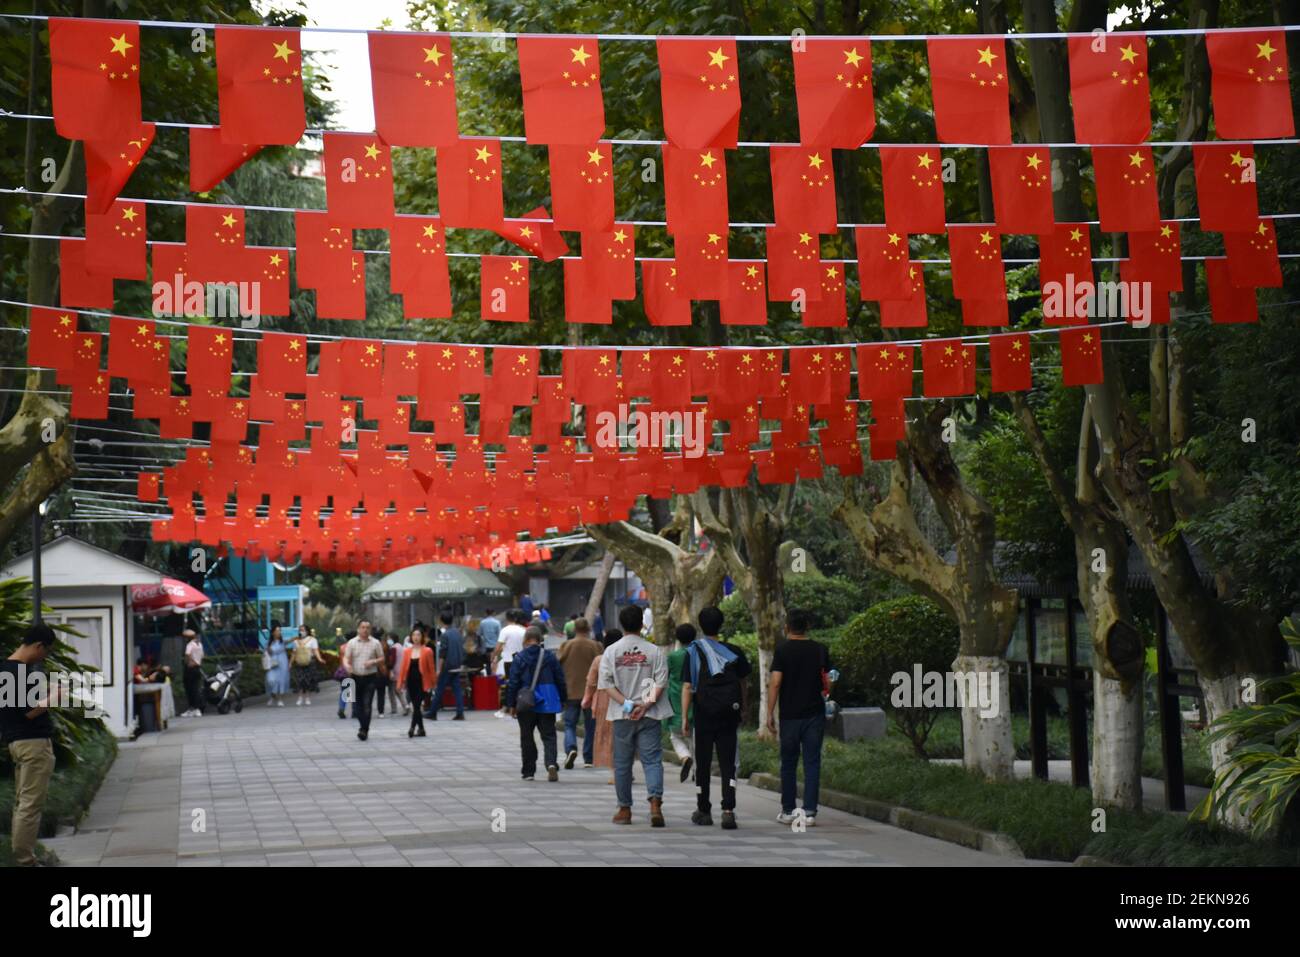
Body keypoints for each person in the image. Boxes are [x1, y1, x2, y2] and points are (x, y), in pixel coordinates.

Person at [599, 606, 670, 827]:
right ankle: (655, 804)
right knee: (652, 760)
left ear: (622, 624)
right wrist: (645, 705)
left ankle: (624, 809)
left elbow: (606, 685)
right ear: (642, 623)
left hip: (623, 715)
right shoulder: (655, 651)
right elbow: (660, 682)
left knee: (622, 763)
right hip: (650, 715)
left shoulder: (611, 651)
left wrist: (628, 705)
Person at [682, 606, 751, 830]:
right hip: (729, 714)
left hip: (703, 714)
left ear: (700, 625)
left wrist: (685, 716)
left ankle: (703, 810)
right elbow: (743, 682)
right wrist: (744, 708)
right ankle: (728, 810)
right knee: (728, 763)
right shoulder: (734, 651)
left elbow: (688, 687)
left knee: (702, 763)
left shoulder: (693, 651)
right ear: (721, 624)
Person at [766, 609, 833, 826]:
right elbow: (830, 679)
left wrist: (769, 713)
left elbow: (775, 682)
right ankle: (810, 812)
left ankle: (788, 811)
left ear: (787, 627)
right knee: (812, 762)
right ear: (808, 627)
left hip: (790, 716)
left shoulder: (783, 651)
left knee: (789, 762)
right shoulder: (820, 650)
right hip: (814, 714)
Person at [2, 624, 58, 867]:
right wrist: (55, 696)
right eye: (46, 651)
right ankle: (25, 860)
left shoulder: (4, 669)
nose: (44, 657)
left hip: (15, 742)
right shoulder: (22, 673)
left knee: (23, 801)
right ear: (38, 646)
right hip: (33, 744)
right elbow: (29, 711)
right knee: (30, 804)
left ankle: (23, 855)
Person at [505, 625, 566, 781]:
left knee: (527, 736)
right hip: (547, 700)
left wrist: (510, 704)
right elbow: (560, 679)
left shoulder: (519, 658)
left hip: (526, 702)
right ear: (540, 640)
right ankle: (551, 764)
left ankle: (528, 771)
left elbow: (513, 682)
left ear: (525, 640)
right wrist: (563, 698)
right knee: (549, 735)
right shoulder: (549, 657)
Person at [557, 618, 602, 770]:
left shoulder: (566, 645)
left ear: (574, 629)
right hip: (591, 692)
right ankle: (588, 758)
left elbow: (558, 664)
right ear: (588, 629)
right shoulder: (596, 646)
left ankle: (571, 748)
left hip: (570, 691)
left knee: (569, 724)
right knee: (591, 726)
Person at [581, 629, 620, 775]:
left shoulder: (599, 659)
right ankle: (624, 767)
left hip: (604, 698)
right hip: (623, 698)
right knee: (622, 732)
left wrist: (586, 698)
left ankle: (614, 770)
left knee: (607, 733)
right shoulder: (626, 658)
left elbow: (591, 682)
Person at [343, 620, 385, 741]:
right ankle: (363, 726)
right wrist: (347, 666)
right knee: (356, 707)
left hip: (370, 677)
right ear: (358, 629)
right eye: (362, 627)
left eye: (367, 627)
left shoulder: (376, 643)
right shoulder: (351, 643)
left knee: (367, 704)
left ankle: (364, 730)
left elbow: (382, 658)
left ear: (370, 629)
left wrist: (373, 662)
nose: (365, 630)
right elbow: (346, 658)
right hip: (354, 677)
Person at [666, 623, 696, 783]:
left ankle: (685, 757)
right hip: (695, 700)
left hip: (676, 700)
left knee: (675, 735)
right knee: (694, 738)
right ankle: (697, 771)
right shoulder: (698, 655)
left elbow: (663, 677)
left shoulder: (673, 657)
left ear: (678, 638)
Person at [426, 609, 466, 720]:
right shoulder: (458, 633)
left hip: (447, 666)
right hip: (457, 665)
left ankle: (433, 712)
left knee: (440, 689)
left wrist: (439, 668)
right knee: (457, 689)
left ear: (441, 621)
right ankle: (460, 712)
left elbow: (443, 653)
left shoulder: (445, 635)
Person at [398, 626, 436, 738]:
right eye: (414, 635)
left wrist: (433, 683)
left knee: (417, 706)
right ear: (411, 637)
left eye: (418, 635)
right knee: (416, 707)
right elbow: (403, 668)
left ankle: (412, 728)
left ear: (422, 637)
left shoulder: (427, 651)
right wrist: (400, 683)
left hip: (422, 682)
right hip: (411, 682)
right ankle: (422, 729)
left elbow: (431, 668)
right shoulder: (407, 651)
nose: (416, 637)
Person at [491, 609, 526, 717]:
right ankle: (516, 709)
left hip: (508, 661)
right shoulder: (523, 630)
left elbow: (498, 647)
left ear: (507, 619)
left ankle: (507, 708)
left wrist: (493, 657)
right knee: (520, 685)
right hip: (521, 660)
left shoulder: (505, 630)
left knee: (509, 685)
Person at [290, 625, 325, 706]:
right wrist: (290, 663)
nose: (301, 632)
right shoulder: (296, 641)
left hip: (309, 662)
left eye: (303, 630)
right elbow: (293, 653)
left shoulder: (313, 640)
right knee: (299, 680)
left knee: (308, 680)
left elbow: (316, 651)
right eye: (300, 630)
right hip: (299, 663)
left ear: (307, 631)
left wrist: (320, 659)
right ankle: (300, 697)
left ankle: (307, 697)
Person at [181, 628, 204, 717]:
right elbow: (202, 655)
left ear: (187, 638)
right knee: (196, 688)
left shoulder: (189, 645)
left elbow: (187, 654)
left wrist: (189, 662)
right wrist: (197, 662)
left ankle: (191, 708)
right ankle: (197, 709)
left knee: (189, 689)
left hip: (190, 669)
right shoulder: (199, 644)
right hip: (197, 668)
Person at [336, 631, 355, 719]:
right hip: (353, 671)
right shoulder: (355, 646)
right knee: (354, 691)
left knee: (344, 691)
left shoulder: (342, 647)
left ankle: (342, 708)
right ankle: (355, 711)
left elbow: (340, 660)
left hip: (343, 671)